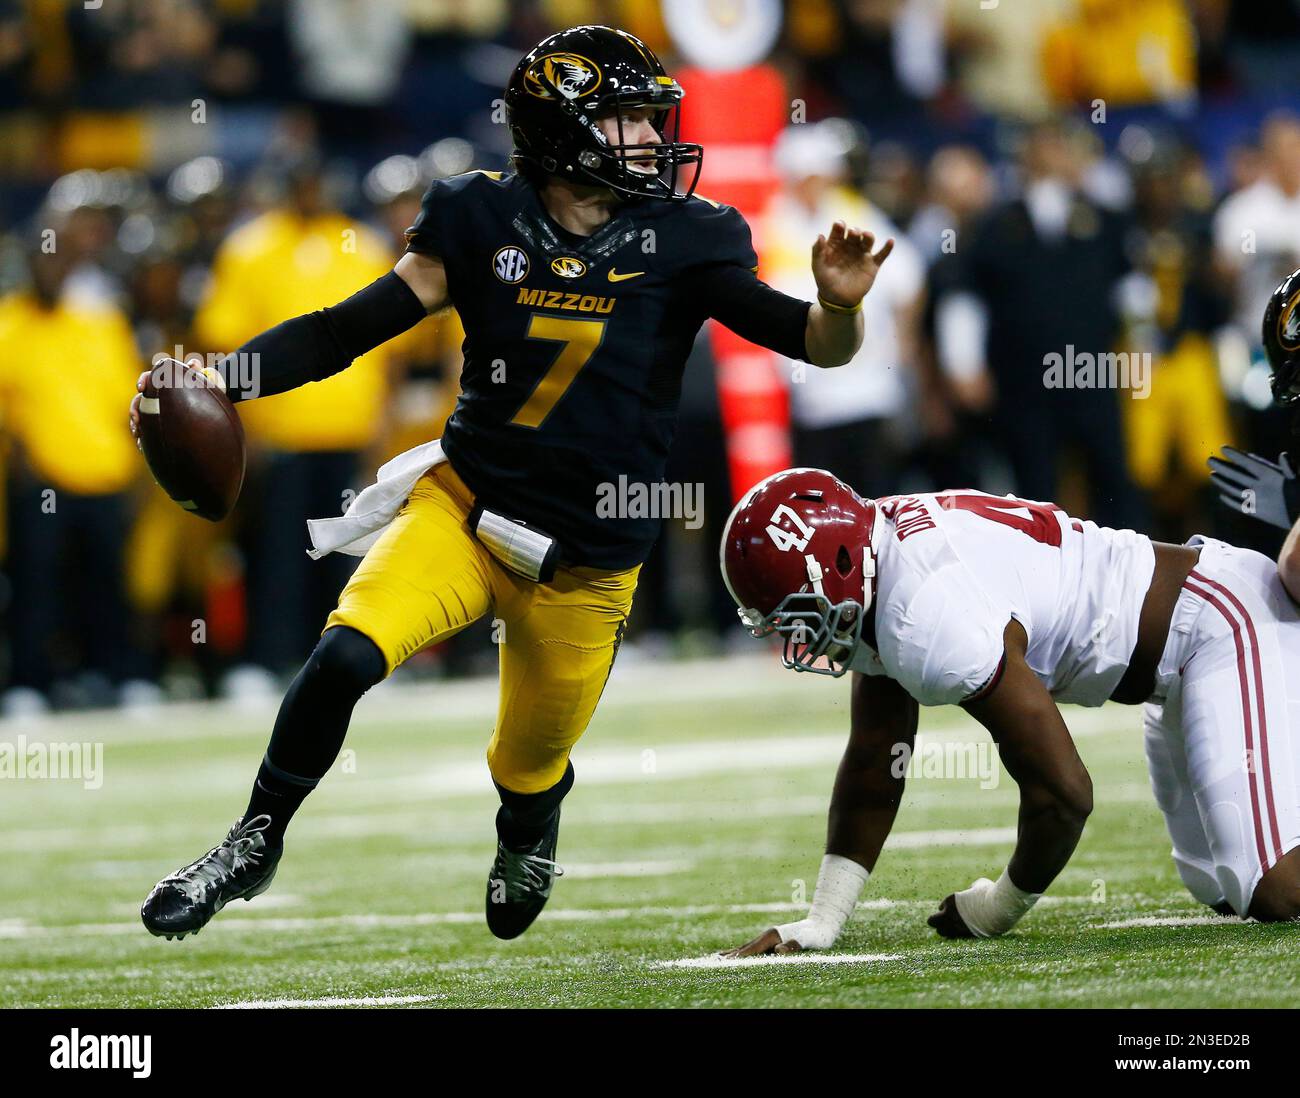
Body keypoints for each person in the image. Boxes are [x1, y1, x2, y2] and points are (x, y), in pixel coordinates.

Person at [131, 25, 894, 942]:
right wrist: (222, 381)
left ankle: (527, 829)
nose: (653, 139)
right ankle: (254, 841)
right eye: (627, 120)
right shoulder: (477, 216)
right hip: (466, 506)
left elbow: (811, 343)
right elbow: (342, 332)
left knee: (528, 764)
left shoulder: (690, 238)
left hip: (587, 559)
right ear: (562, 129)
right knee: (344, 654)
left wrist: (842, 306)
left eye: (655, 119)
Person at [717, 466, 1300, 954]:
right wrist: (822, 922)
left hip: (1221, 625)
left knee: (1276, 891)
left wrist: (996, 907)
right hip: (1175, 666)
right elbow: (877, 757)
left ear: (840, 567)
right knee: (1217, 887)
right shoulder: (882, 554)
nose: (796, 637)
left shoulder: (925, 613)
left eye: (795, 613)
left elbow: (1065, 792)